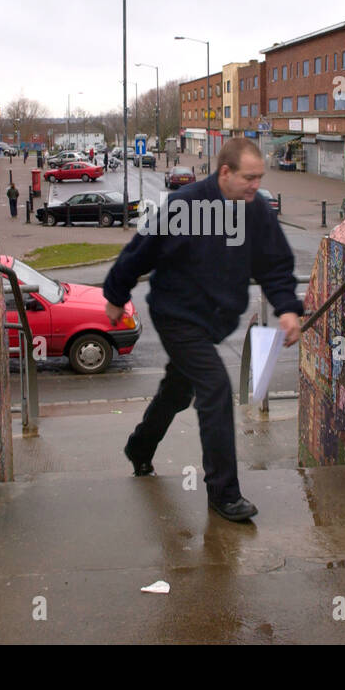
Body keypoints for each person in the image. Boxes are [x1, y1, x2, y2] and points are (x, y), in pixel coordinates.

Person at [103, 137, 302, 523]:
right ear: (225, 172)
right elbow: (140, 251)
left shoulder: (256, 211)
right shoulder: (185, 205)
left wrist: (288, 309)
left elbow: (275, 265)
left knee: (179, 390)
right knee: (216, 388)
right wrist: (115, 294)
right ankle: (224, 493)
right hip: (176, 315)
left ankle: (139, 447)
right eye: (249, 177)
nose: (255, 186)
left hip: (214, 320)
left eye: (259, 177)